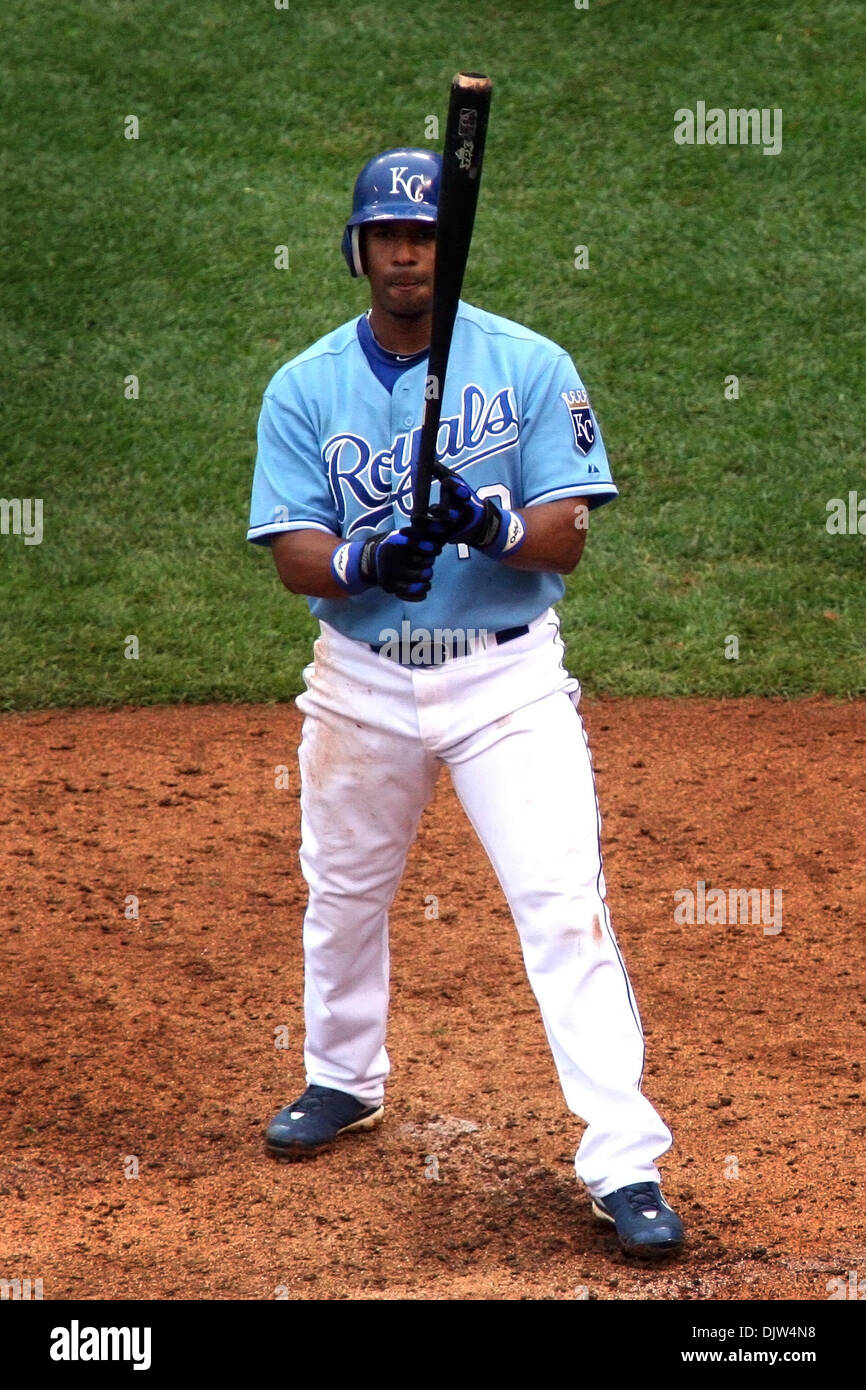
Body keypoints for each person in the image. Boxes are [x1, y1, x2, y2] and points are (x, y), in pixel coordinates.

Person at [246, 147, 684, 1256]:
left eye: (427, 235)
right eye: (387, 235)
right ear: (357, 249)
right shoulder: (303, 387)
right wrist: (361, 562)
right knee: (341, 892)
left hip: (503, 678)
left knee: (560, 904)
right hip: (360, 681)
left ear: (452, 247)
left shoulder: (530, 364)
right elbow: (295, 552)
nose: (406, 252)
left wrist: (488, 526)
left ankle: (622, 1159)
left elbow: (568, 536)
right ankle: (341, 1077)